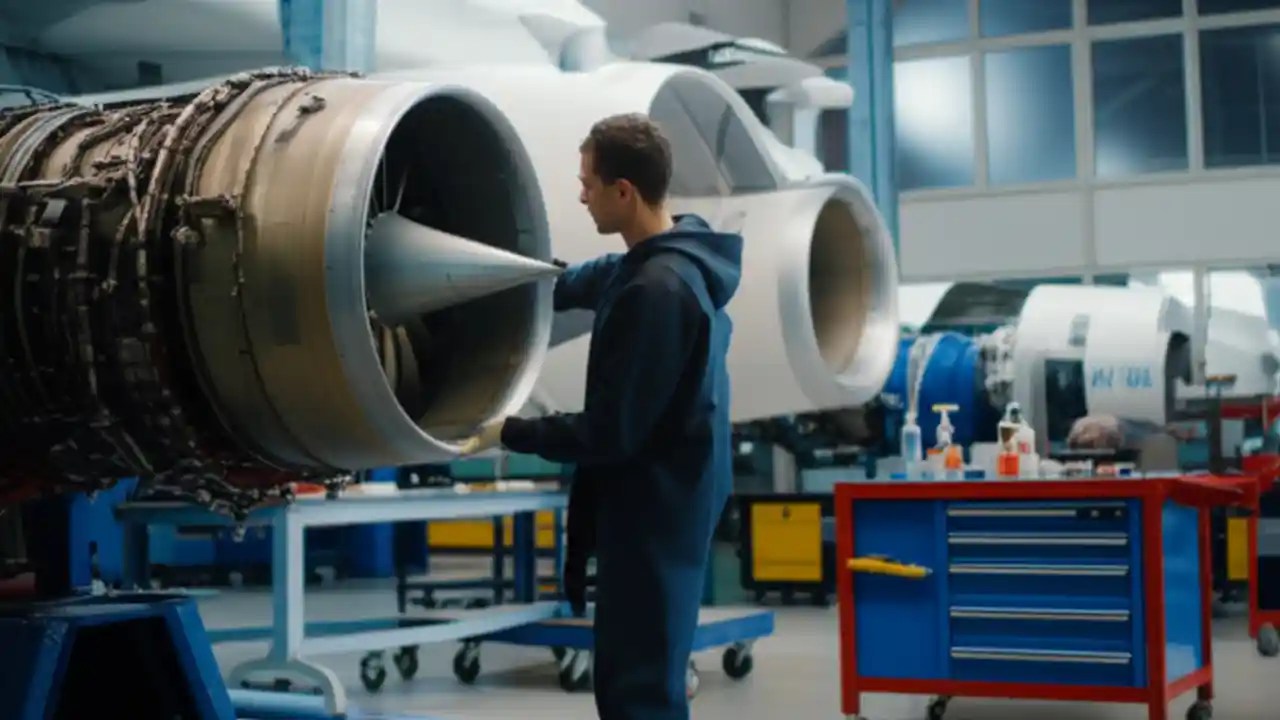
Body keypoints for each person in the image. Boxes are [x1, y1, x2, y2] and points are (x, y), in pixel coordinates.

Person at [459, 113, 743, 720]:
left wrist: (507, 430)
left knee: (637, 691)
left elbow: (612, 431)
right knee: (642, 676)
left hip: (654, 513)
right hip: (668, 502)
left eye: (588, 182)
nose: (580, 193)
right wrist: (499, 274)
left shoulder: (657, 291)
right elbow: (574, 282)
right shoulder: (660, 260)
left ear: (624, 192)